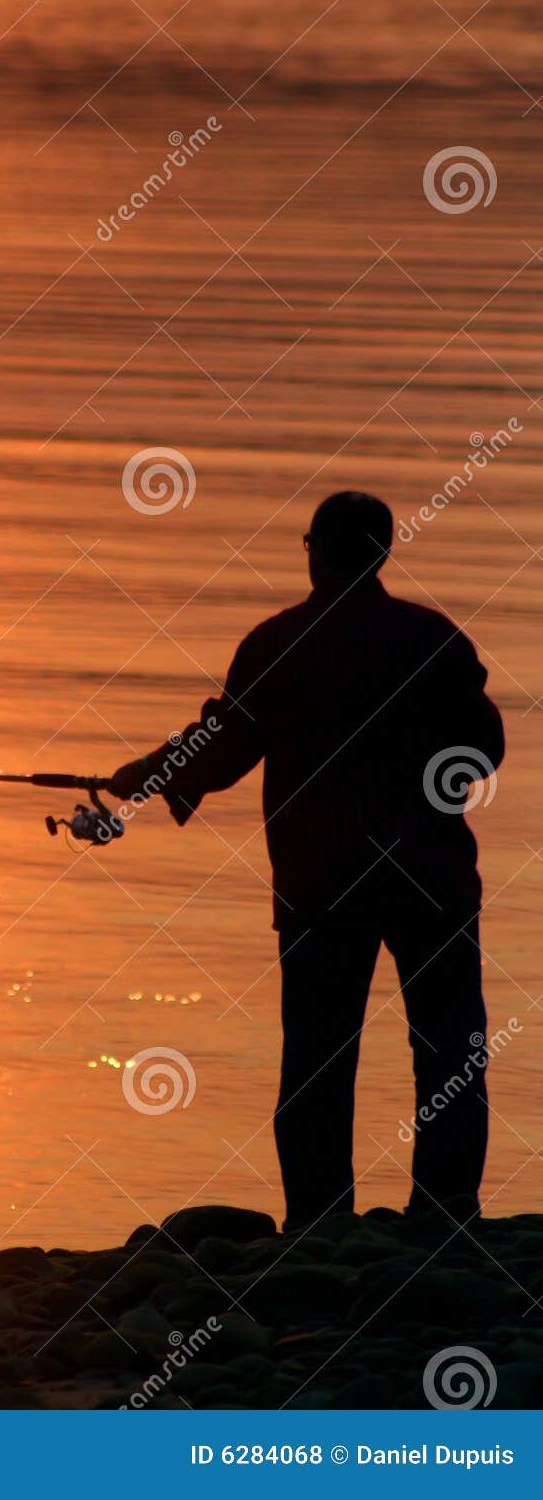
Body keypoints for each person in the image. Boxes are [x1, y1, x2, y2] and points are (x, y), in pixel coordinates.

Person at [108, 490, 504, 1231]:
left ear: (316, 550)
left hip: (321, 886)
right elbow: (483, 751)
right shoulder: (433, 640)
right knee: (449, 1054)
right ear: (383, 551)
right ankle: (445, 1214)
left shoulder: (277, 642)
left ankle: (319, 1224)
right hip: (430, 881)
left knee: (318, 1060)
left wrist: (146, 773)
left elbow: (221, 751)